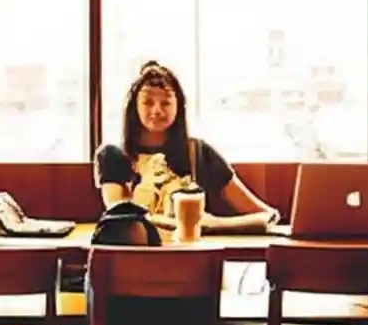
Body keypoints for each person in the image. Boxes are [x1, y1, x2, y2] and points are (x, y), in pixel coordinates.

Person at [94, 60, 280, 231]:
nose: (157, 110)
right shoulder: (113, 155)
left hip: (193, 255)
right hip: (135, 256)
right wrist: (200, 223)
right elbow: (121, 219)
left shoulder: (199, 152)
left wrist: (214, 224)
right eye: (148, 102)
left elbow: (261, 212)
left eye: (166, 102)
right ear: (134, 107)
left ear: (179, 106)